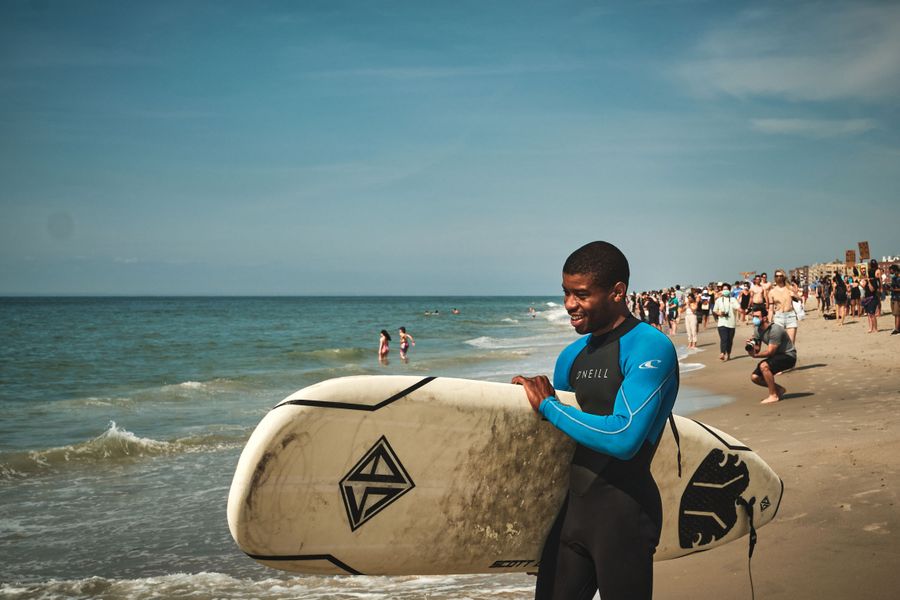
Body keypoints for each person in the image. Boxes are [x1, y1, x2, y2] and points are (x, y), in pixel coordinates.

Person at [511, 241, 678, 600]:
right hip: (571, 516)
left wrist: (551, 408)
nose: (569, 304)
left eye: (581, 294)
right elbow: (556, 448)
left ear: (617, 292)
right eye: (566, 293)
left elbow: (624, 436)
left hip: (624, 517)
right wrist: (533, 527)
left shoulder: (650, 347)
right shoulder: (570, 356)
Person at [745, 307, 797, 404]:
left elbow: (770, 352)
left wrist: (755, 356)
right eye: (753, 316)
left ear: (764, 318)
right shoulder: (757, 329)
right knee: (755, 377)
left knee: (764, 366)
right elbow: (757, 348)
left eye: (757, 316)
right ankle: (779, 389)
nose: (754, 319)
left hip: (788, 356)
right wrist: (752, 348)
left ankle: (773, 395)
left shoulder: (775, 330)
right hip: (776, 356)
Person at [768, 269, 800, 344]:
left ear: (784, 277)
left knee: (791, 343)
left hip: (790, 316)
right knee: (778, 343)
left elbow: (799, 299)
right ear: (774, 277)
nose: (779, 278)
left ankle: (790, 356)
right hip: (779, 317)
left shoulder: (789, 288)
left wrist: (794, 295)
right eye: (777, 276)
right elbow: (771, 309)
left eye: (780, 276)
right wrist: (769, 321)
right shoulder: (771, 292)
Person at [712, 283, 739, 361]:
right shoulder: (718, 300)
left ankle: (728, 353)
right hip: (722, 323)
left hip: (731, 323)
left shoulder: (733, 299)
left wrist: (744, 311)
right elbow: (714, 310)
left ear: (729, 290)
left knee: (730, 340)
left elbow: (738, 308)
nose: (725, 291)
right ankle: (722, 353)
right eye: (724, 289)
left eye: (727, 289)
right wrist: (719, 313)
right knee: (724, 338)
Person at [890, 263, 900, 335]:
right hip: (893, 297)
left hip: (898, 298)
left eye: (892, 270)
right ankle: (896, 327)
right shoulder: (894, 278)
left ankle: (897, 329)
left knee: (897, 314)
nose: (891, 272)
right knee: (895, 314)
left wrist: (895, 290)